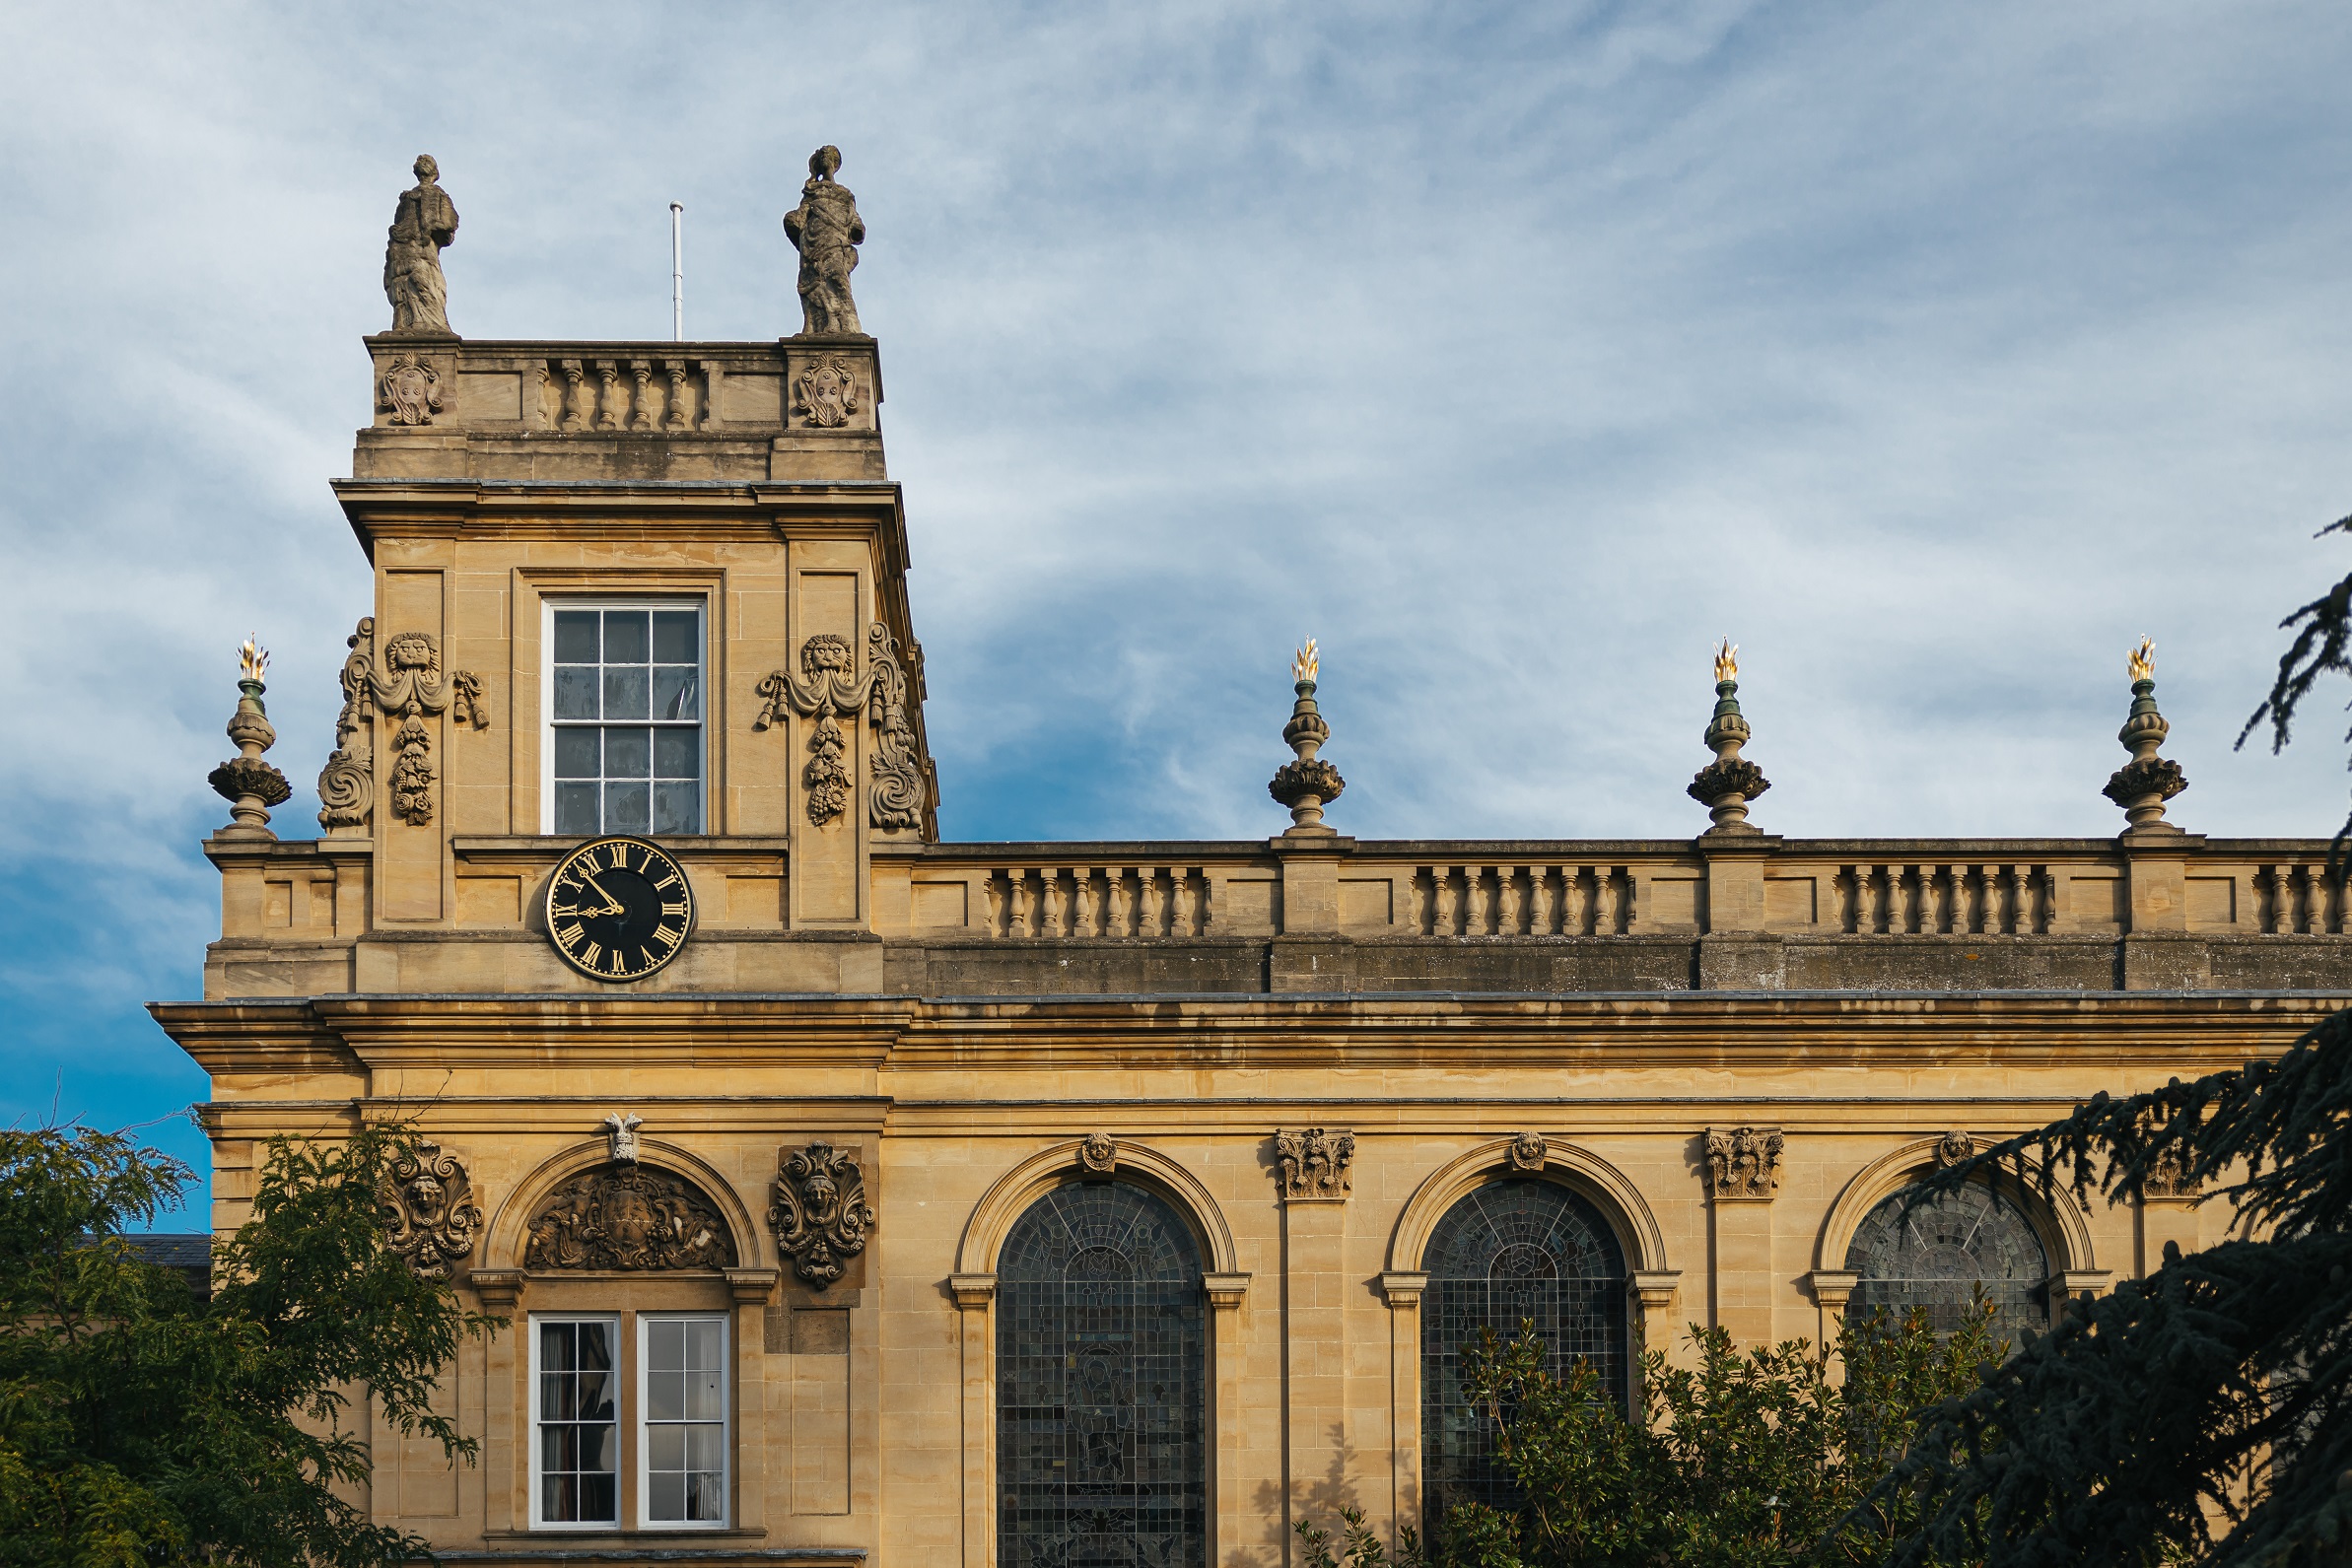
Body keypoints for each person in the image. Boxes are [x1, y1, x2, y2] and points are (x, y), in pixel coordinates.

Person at [783, 146, 865, 335]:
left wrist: (857, 228)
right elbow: (801, 216)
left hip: (835, 241)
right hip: (812, 241)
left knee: (837, 278)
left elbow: (854, 218)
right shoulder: (811, 191)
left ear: (835, 164)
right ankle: (816, 326)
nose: (826, 161)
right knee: (813, 281)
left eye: (830, 158)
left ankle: (847, 325)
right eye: (824, 158)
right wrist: (791, 219)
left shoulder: (844, 194)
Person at [384, 155, 459, 334]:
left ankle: (431, 325)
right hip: (401, 248)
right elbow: (399, 221)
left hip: (422, 249)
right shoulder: (407, 198)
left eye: (427, 163)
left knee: (421, 281)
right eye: (420, 162)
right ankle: (404, 325)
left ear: (435, 171)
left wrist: (432, 227)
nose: (423, 165)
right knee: (401, 284)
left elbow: (450, 222)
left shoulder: (438, 194)